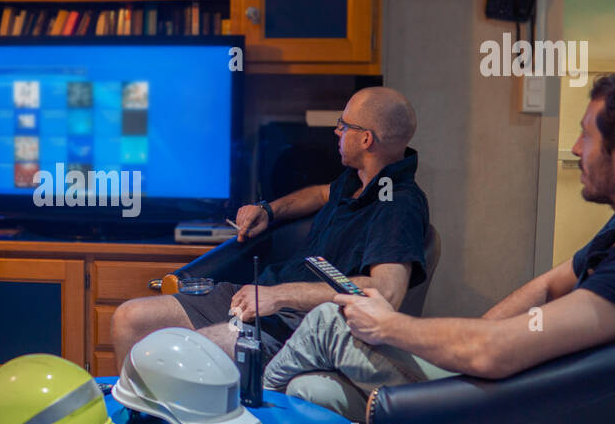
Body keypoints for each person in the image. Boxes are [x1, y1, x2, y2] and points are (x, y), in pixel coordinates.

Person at [265, 66, 615, 424]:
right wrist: (463, 346)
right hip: (505, 377)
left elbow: (496, 353)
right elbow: (549, 288)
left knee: (330, 320)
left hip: (519, 411)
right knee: (312, 388)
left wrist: (390, 326)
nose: (573, 147)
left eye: (587, 134)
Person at [111, 86, 429, 365]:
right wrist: (269, 210)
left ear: (366, 139)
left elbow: (387, 292)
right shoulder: (357, 180)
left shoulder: (398, 204)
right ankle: (133, 421)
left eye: (343, 125)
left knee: (174, 353)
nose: (336, 132)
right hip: (264, 298)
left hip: (295, 324)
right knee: (129, 319)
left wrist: (280, 296)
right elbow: (320, 193)